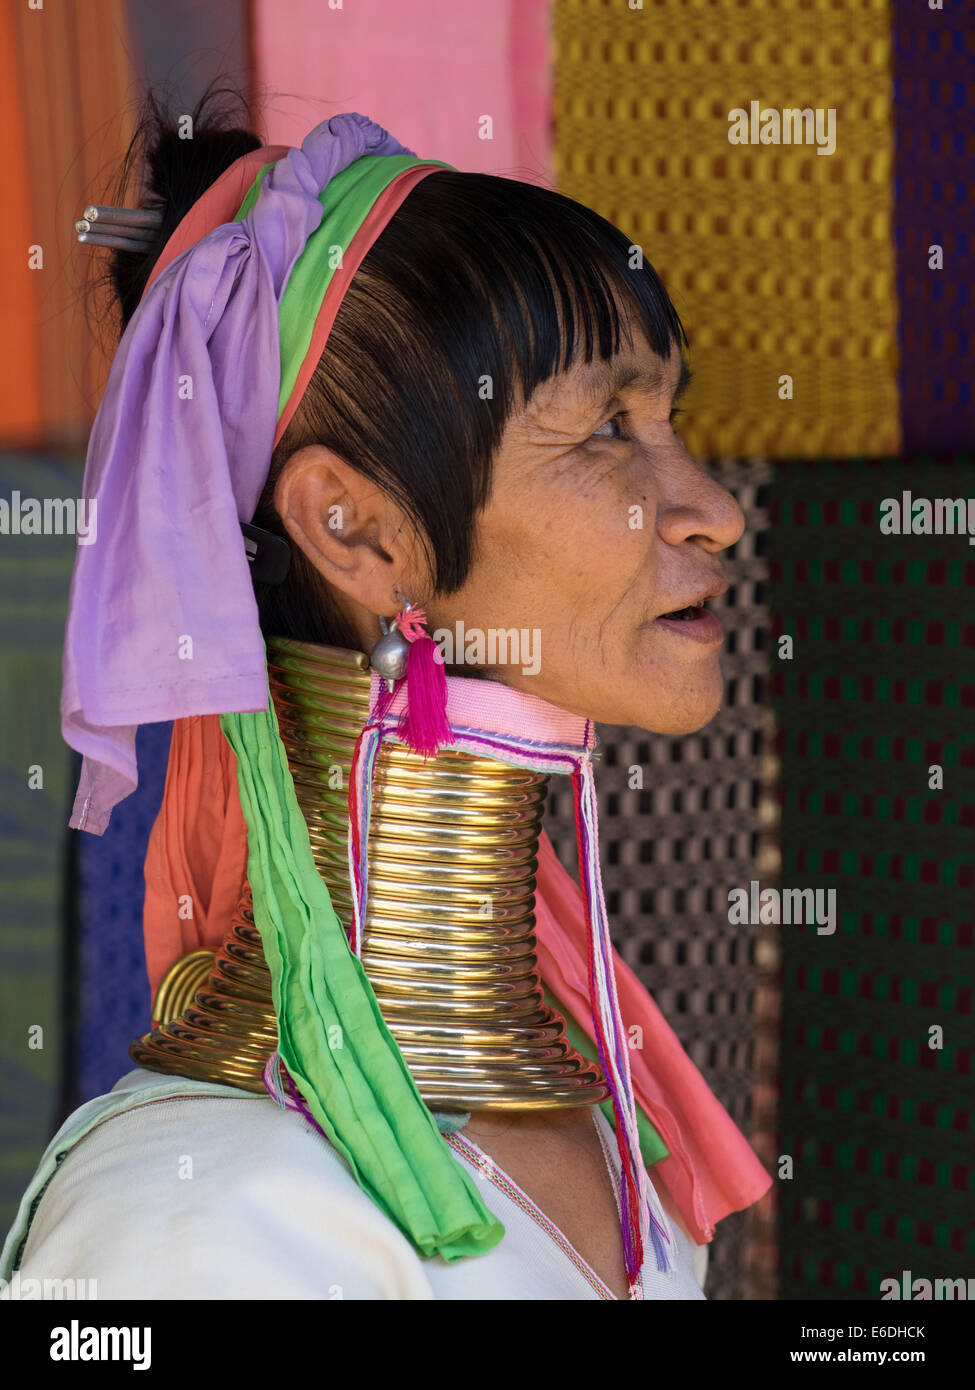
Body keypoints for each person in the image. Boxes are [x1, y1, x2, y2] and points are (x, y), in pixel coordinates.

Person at [0, 90, 771, 1301]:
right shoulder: (198, 1211)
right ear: (355, 529)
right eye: (609, 431)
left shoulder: (608, 1136)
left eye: (671, 417)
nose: (713, 507)